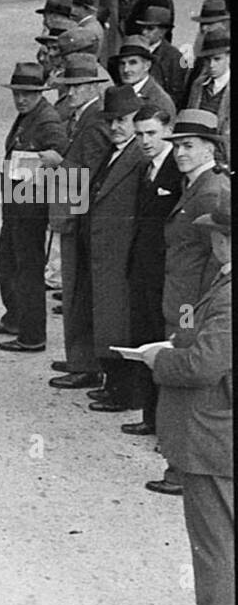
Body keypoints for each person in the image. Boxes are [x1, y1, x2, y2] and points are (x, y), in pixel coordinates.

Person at [145, 191, 233, 605]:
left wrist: (162, 359)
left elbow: (204, 365)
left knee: (214, 539)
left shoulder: (229, 293)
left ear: (223, 240)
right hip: (218, 430)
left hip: (212, 434)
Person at [147, 110, 228, 495]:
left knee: (183, 373)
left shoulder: (209, 192)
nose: (180, 153)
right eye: (177, 145)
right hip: (184, 299)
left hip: (189, 305)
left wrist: (191, 316)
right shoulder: (197, 184)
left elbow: (215, 261)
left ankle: (180, 467)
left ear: (210, 148)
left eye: (188, 146)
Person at [40, 54, 112, 390]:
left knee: (79, 292)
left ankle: (85, 363)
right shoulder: (87, 117)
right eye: (69, 86)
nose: (70, 93)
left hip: (79, 217)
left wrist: (58, 165)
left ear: (91, 88)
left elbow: (91, 175)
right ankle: (79, 357)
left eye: (77, 86)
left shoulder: (95, 122)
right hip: (74, 214)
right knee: (74, 290)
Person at [0, 63, 66, 352]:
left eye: (28, 94)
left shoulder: (46, 120)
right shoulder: (29, 115)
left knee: (28, 271)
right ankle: (15, 319)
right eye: (17, 93)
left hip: (32, 206)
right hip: (17, 203)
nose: (21, 99)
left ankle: (32, 336)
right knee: (6, 262)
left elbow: (60, 156)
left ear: (40, 93)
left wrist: (35, 163)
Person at [82, 85, 149, 412]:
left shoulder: (138, 155)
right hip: (106, 250)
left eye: (123, 120)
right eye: (111, 121)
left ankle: (124, 393)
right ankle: (112, 383)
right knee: (108, 320)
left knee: (119, 323)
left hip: (121, 252)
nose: (115, 127)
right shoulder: (117, 151)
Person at [122, 108, 185, 438]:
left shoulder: (177, 169)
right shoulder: (150, 166)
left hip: (166, 276)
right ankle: (150, 416)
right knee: (146, 340)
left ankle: (161, 423)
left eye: (151, 133)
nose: (144, 141)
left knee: (165, 344)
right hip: (145, 271)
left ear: (168, 131)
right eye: (140, 134)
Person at [109, 36, 176, 120]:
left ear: (147, 66)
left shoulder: (160, 100)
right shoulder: (114, 92)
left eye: (133, 63)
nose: (126, 70)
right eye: (122, 63)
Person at [184, 31, 230, 153]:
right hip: (196, 151)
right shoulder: (198, 85)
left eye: (217, 59)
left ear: (229, 57)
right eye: (207, 60)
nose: (211, 65)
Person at [135, 6, 187, 108]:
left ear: (163, 31)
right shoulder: (134, 49)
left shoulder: (175, 57)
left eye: (150, 29)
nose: (144, 32)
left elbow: (178, 94)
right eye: (143, 27)